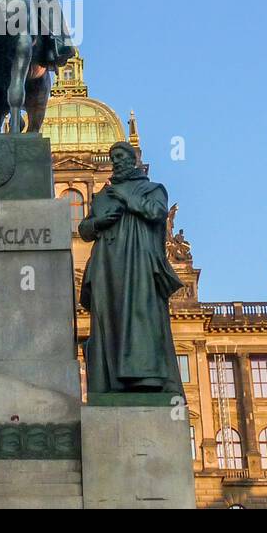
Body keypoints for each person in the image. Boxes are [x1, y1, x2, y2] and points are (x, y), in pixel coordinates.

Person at [79, 142, 184, 394]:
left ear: (133, 159)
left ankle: (145, 377)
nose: (116, 160)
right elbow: (84, 229)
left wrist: (127, 198)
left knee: (140, 316)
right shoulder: (103, 196)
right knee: (107, 320)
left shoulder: (152, 189)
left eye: (120, 156)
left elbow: (157, 212)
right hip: (107, 265)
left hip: (137, 264)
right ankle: (107, 382)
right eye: (113, 157)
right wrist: (98, 222)